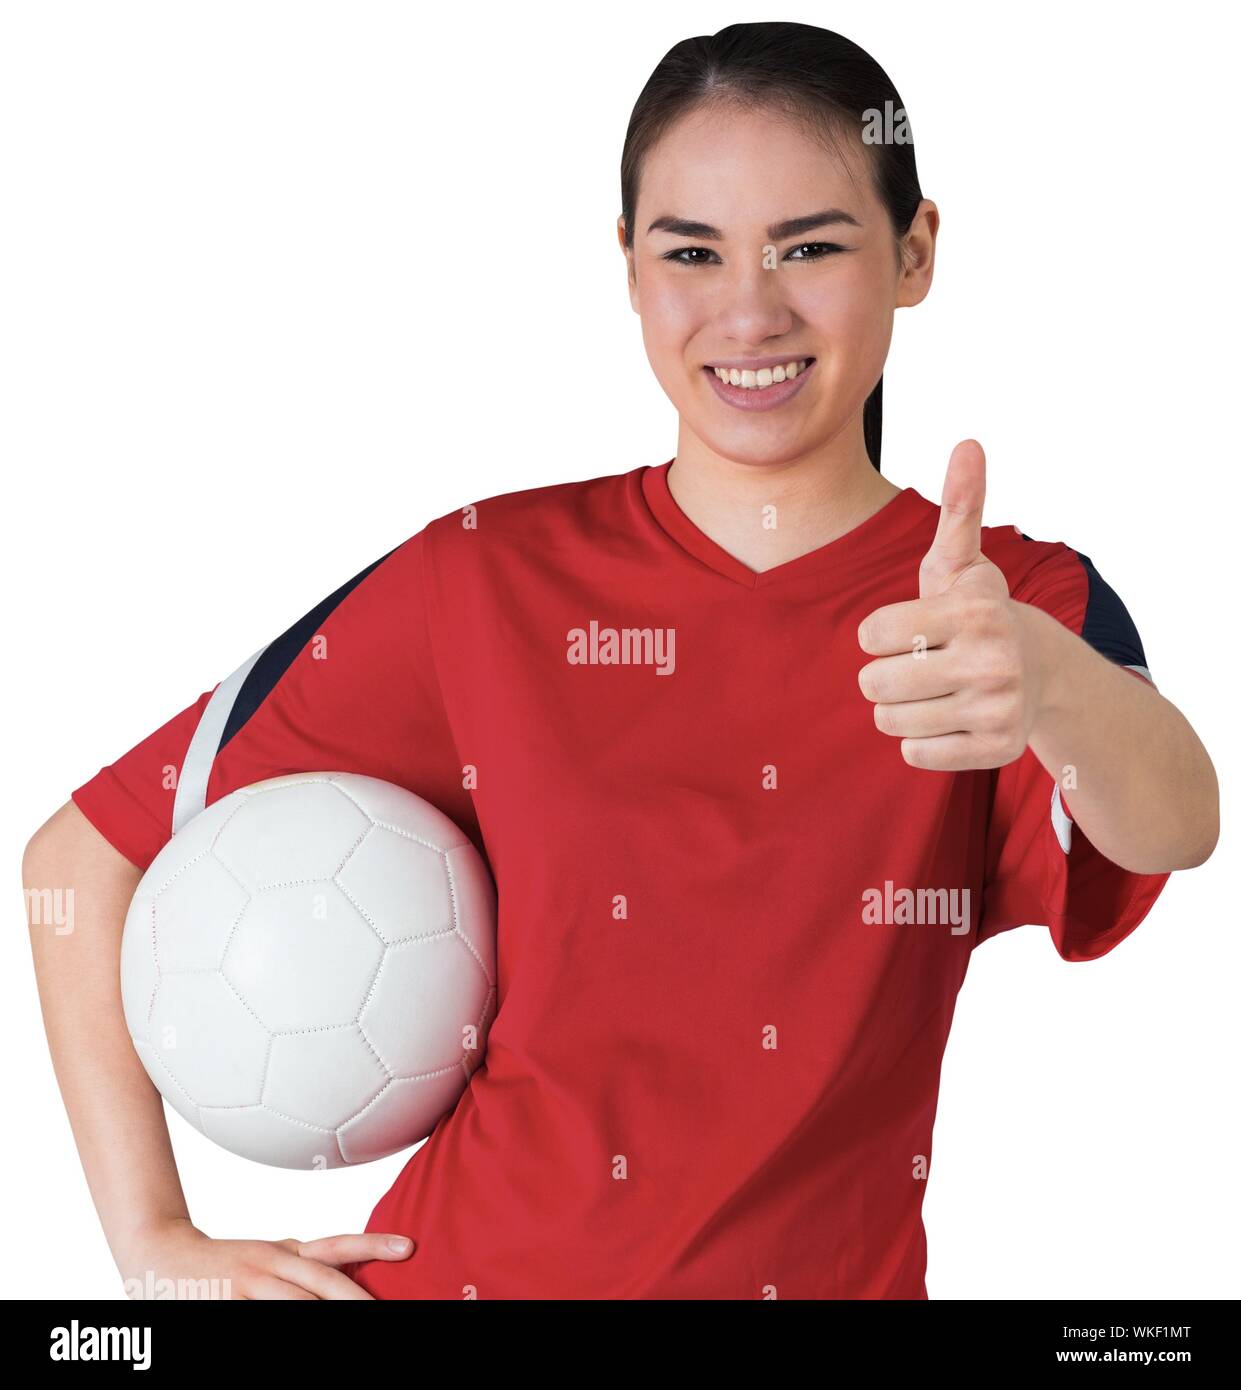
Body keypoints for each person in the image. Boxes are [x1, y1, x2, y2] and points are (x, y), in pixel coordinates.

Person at [24, 20, 1218, 1300]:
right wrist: (151, 1244)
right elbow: (82, 857)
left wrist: (1044, 680)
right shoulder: (479, 576)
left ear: (914, 250)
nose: (748, 310)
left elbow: (1173, 823)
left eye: (810, 247)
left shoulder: (1003, 608)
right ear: (627, 267)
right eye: (690, 252)